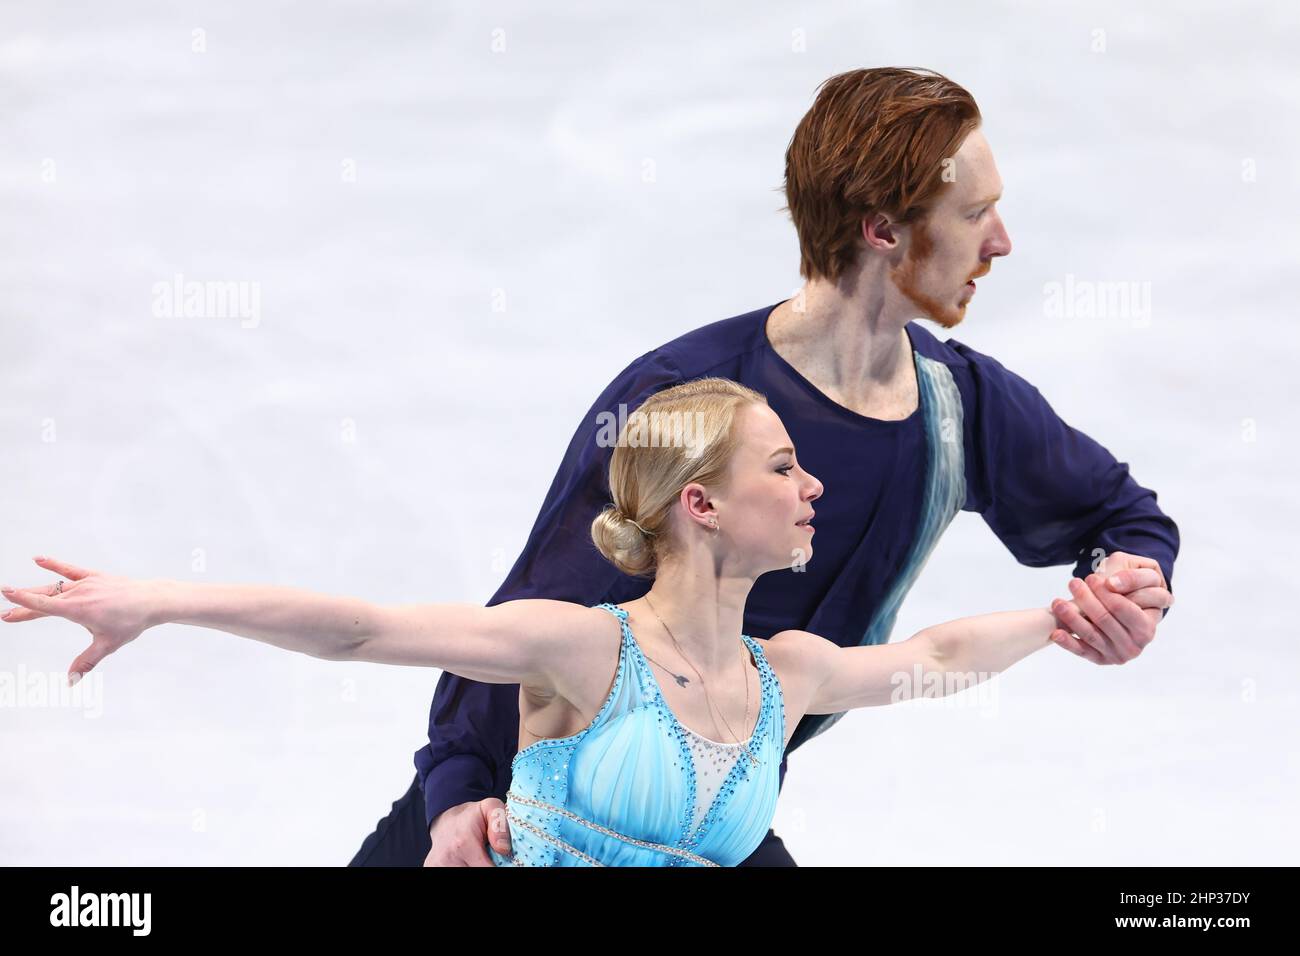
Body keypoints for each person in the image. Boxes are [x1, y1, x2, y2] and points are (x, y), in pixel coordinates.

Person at [346, 66, 1181, 866]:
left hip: (711, 817)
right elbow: (533, 614)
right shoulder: (691, 402)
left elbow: (1126, 522)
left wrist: (1121, 589)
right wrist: (456, 797)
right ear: (883, 229)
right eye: (974, 214)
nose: (1001, 242)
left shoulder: (961, 409)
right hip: (520, 810)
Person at [0, 379, 1174, 866]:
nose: (815, 484)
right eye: (785, 465)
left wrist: (1061, 612)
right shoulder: (581, 645)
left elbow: (929, 659)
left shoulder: (792, 671)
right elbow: (359, 628)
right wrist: (159, 597)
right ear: (701, 504)